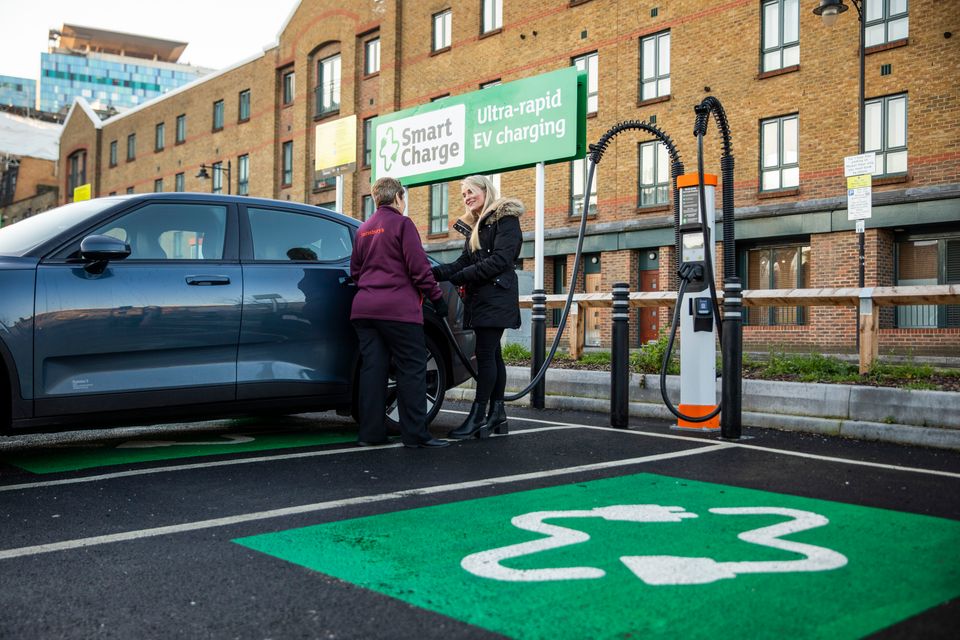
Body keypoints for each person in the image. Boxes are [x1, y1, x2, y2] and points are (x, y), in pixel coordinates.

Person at [350, 177, 450, 449]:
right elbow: (419, 268)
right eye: (403, 199)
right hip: (398, 311)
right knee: (412, 368)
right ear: (397, 198)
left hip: (364, 310)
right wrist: (437, 298)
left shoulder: (364, 229)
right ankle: (415, 434)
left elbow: (356, 272)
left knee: (373, 370)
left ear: (375, 199)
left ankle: (371, 434)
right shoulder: (402, 224)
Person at [432, 175, 523, 440]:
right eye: (463, 195)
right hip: (482, 299)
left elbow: (500, 260)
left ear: (486, 190)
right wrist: (431, 273)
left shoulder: (506, 219)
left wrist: (459, 277)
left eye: (471, 191)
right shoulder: (477, 227)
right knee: (493, 356)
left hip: (496, 297)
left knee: (485, 356)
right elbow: (462, 262)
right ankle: (497, 414)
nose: (467, 197)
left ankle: (478, 416)